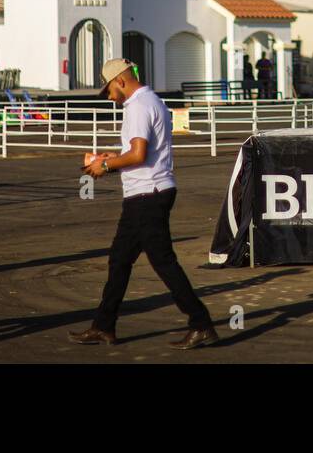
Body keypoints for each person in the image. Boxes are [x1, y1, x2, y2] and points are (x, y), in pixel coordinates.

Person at [70, 58, 218, 349]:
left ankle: (201, 324)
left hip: (147, 194)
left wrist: (106, 167)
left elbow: (138, 155)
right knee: (120, 260)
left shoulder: (137, 106)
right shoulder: (152, 101)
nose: (110, 97)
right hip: (149, 191)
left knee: (162, 261)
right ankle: (103, 326)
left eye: (109, 90)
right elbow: (140, 152)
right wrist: (108, 159)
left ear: (121, 81)